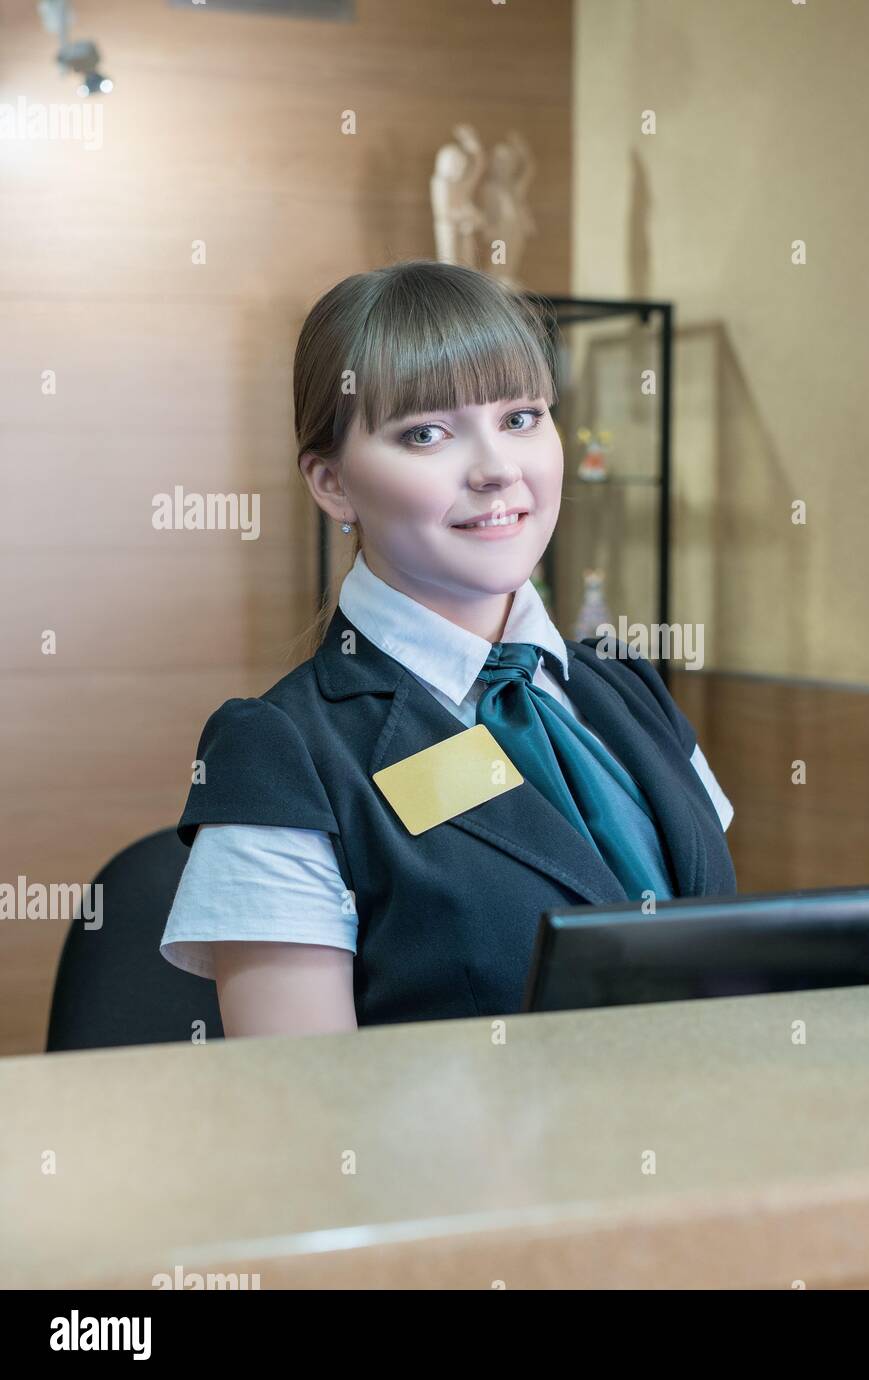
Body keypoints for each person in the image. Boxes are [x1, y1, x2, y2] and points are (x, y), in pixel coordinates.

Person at [159, 260, 737, 1037]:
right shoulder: (278, 754)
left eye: (522, 417)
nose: (498, 469)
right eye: (426, 432)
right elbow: (307, 1117)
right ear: (332, 484)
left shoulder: (627, 688)